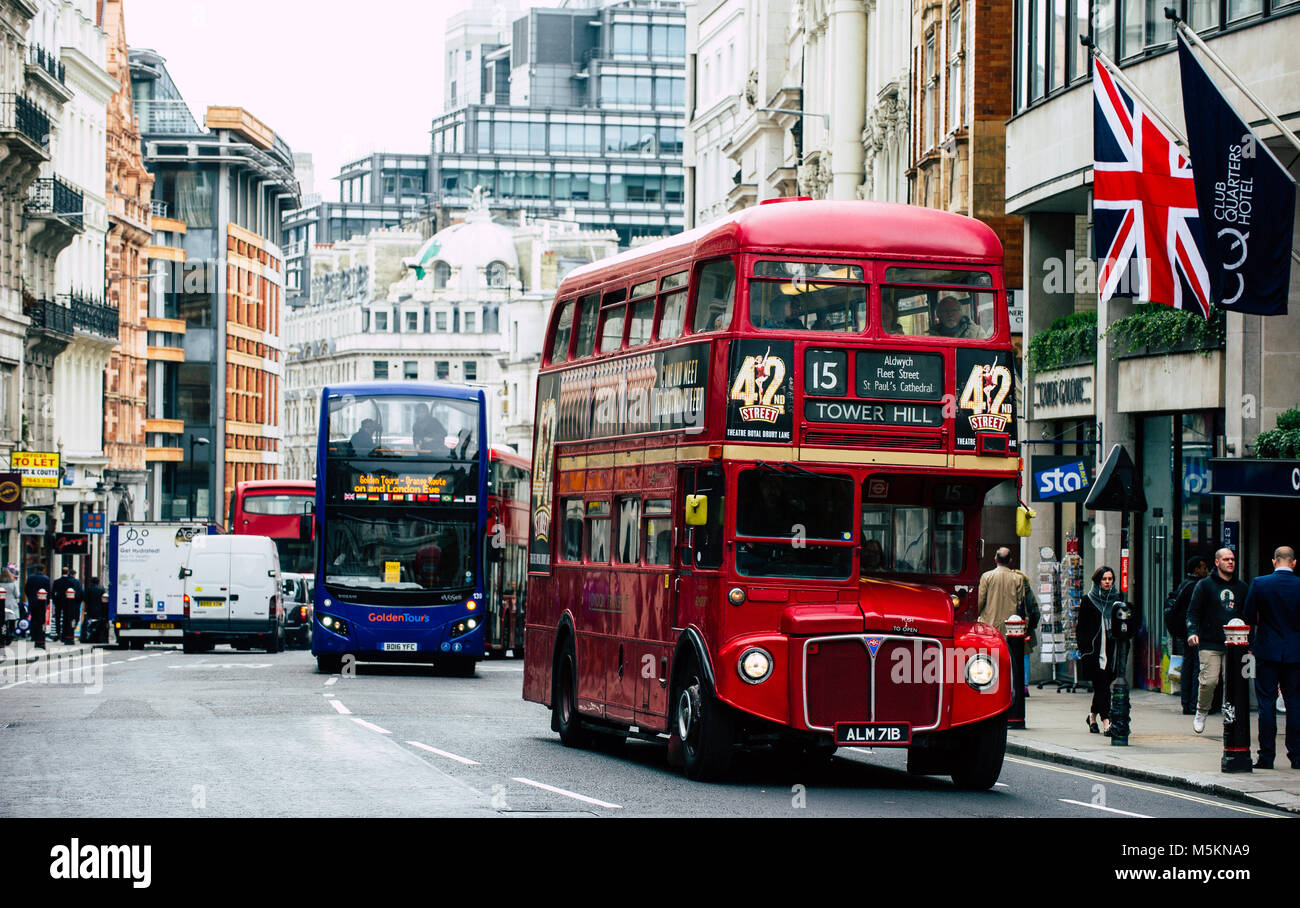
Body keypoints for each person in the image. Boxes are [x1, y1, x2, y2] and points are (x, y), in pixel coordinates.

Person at [1242, 546, 1300, 769]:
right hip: (1295, 653)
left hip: (1266, 651)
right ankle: (1296, 756)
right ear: (1294, 563)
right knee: (1295, 703)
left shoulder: (1260, 583)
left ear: (1274, 562)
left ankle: (1266, 757)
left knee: (1266, 704)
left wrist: (1249, 645)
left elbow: (1248, 617)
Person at [1186, 547, 1249, 735]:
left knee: (1231, 683)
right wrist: (1192, 632)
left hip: (1235, 645)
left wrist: (1250, 643)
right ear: (1217, 562)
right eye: (1226, 559)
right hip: (1209, 641)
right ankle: (1201, 711)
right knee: (1209, 681)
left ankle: (1228, 716)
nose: (1230, 562)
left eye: (1232, 559)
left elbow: (1249, 615)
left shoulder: (1242, 587)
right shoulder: (1205, 585)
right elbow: (1193, 611)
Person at [1076, 565, 1126, 736]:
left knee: (1102, 687)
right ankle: (1106, 721)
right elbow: (1080, 629)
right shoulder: (1088, 600)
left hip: (1112, 650)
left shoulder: (1118, 599)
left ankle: (1091, 716)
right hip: (1094, 652)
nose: (1107, 582)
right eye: (1104, 579)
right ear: (1098, 581)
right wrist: (1084, 650)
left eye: (1110, 579)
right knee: (1103, 685)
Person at [1164, 555, 1211, 715]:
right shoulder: (1196, 586)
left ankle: (1187, 703)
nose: (1206, 570)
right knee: (1196, 667)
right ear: (1196, 570)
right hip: (1195, 632)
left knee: (1188, 665)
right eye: (1203, 567)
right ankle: (1193, 703)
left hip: (1186, 632)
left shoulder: (1184, 584)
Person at [977, 546, 1022, 636]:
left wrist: (976, 615)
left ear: (995, 559)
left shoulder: (986, 576)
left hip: (989, 625)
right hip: (1011, 627)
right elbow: (1020, 603)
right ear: (1010, 561)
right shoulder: (1018, 578)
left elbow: (980, 600)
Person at [52, 566, 84, 645]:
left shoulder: (57, 581)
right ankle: (68, 634)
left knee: (60, 618)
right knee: (69, 618)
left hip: (59, 602)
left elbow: (53, 593)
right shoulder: (73, 581)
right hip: (70, 603)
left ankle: (59, 633)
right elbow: (80, 593)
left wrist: (55, 601)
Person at [25, 563, 52, 650]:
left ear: (36, 569)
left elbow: (27, 589)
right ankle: (40, 636)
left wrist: (30, 598)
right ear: (43, 570)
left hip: (33, 602)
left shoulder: (31, 578)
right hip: (42, 602)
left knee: (33, 618)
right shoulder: (46, 578)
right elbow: (49, 590)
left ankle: (33, 635)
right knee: (41, 619)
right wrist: (47, 601)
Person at [82, 575, 108, 644]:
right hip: (100, 609)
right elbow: (104, 600)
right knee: (99, 623)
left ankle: (89, 637)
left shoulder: (88, 589)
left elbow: (85, 600)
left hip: (90, 609)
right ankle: (98, 637)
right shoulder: (101, 589)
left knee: (90, 623)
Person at [0, 566, 17, 645]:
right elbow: (17, 594)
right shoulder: (13, 583)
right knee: (12, 620)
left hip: (2, 603)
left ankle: (5, 635)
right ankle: (11, 633)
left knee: (3, 620)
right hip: (11, 603)